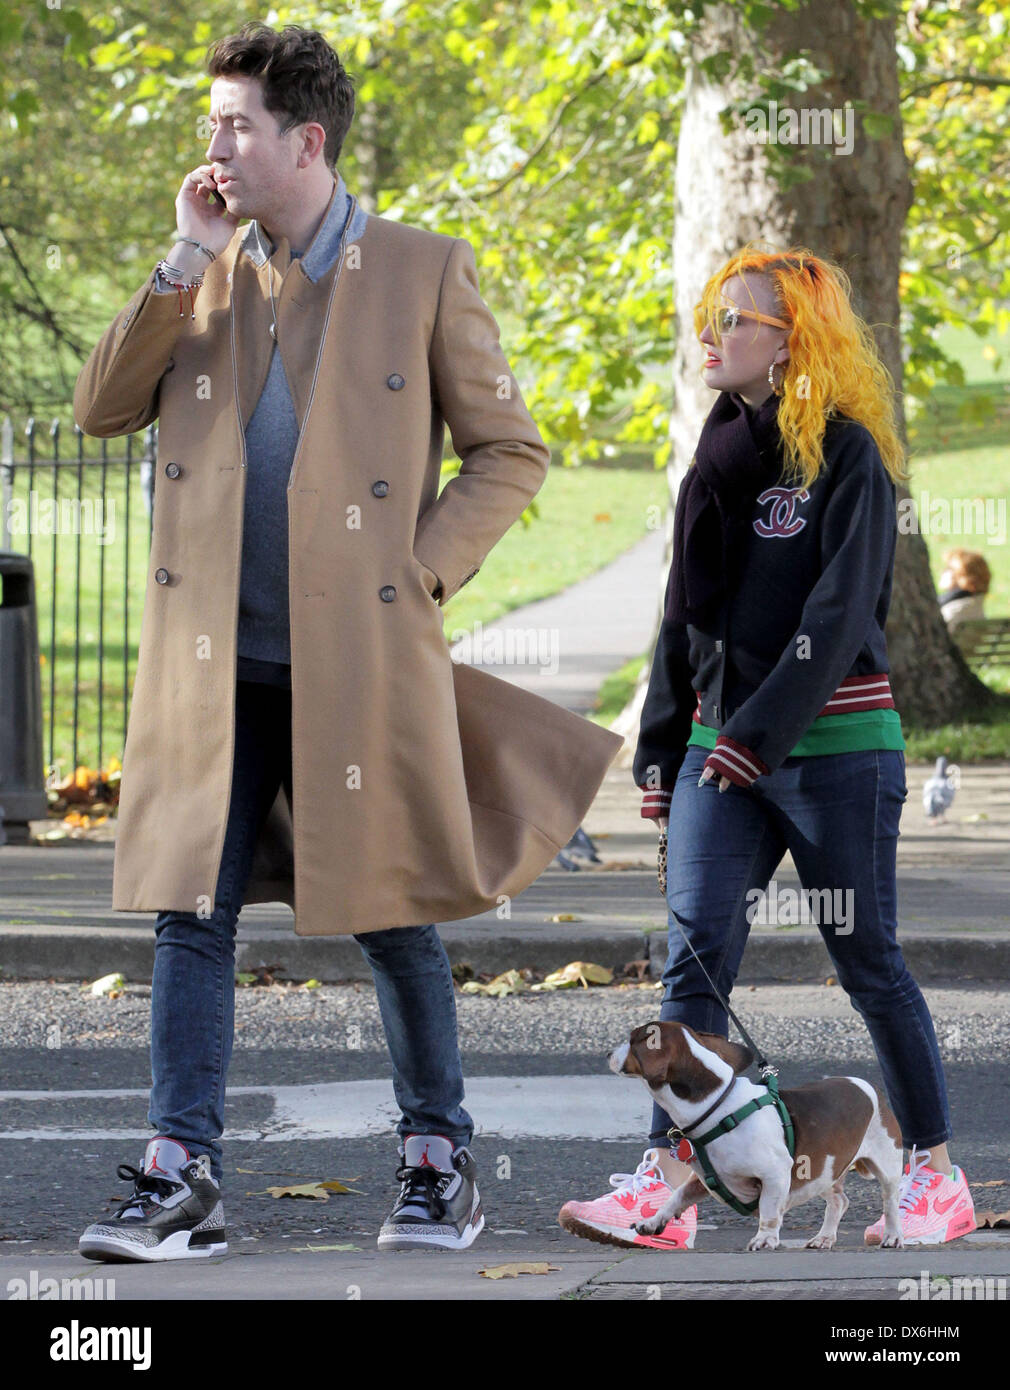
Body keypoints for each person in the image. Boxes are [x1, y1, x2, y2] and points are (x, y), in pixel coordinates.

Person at [72, 21, 620, 1262]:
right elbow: (100, 408)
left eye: (232, 125)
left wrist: (417, 568)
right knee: (188, 914)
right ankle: (181, 1176)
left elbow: (509, 450)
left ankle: (437, 1160)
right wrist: (178, 260)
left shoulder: (423, 268)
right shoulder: (204, 268)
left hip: (352, 668)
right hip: (216, 676)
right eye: (214, 122)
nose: (210, 145)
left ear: (303, 141)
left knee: (390, 915)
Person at [559, 245, 976, 1250]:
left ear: (790, 342)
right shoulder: (713, 455)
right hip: (717, 752)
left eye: (731, 321)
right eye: (706, 318)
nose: (708, 337)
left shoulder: (847, 457)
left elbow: (833, 620)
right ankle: (667, 1186)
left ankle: (931, 1174)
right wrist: (662, 751)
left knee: (865, 956)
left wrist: (755, 735)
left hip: (833, 748)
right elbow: (680, 618)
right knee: (690, 964)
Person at [938, 547, 990, 632]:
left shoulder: (952, 610)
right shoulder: (975, 606)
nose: (943, 572)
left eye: (948, 568)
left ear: (964, 576)